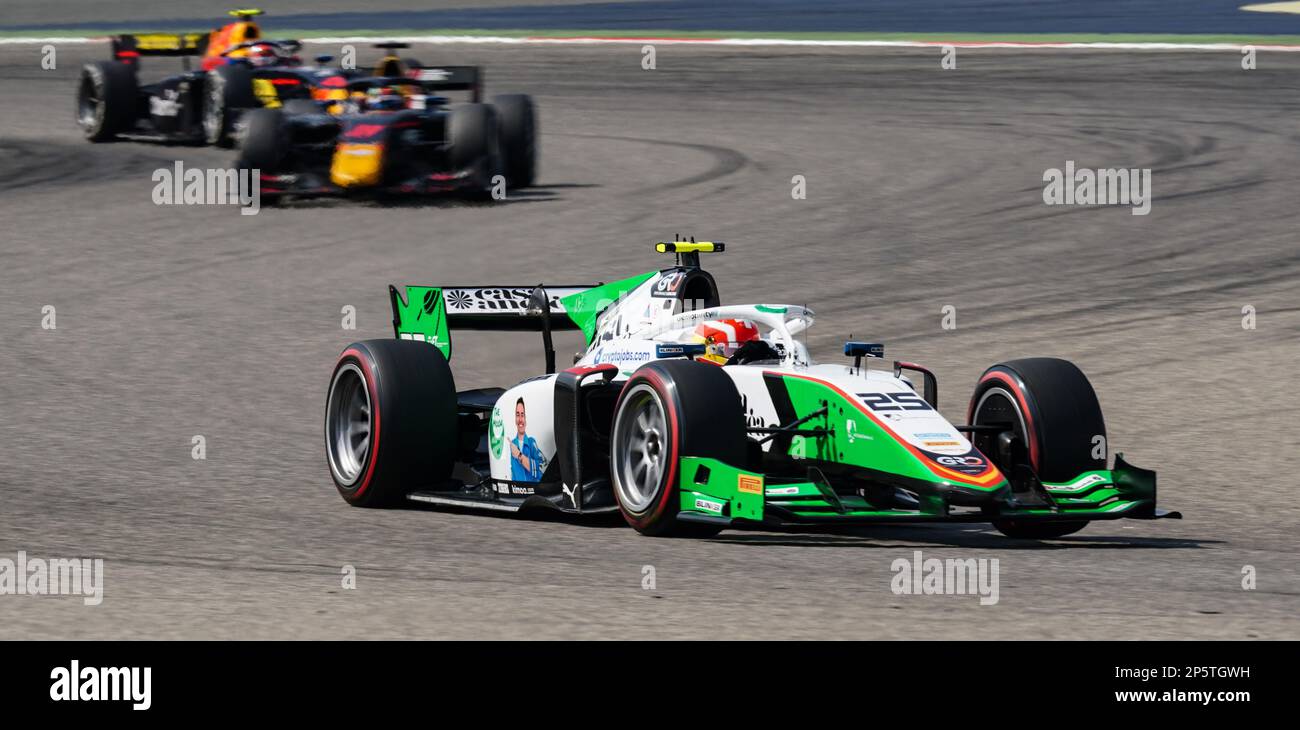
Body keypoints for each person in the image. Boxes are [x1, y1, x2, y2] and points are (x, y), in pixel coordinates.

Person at [510, 398, 545, 482]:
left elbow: (542, 469)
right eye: (517, 415)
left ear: (525, 418)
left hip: (533, 494)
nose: (520, 419)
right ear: (515, 418)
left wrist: (519, 455)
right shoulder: (512, 444)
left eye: (522, 415)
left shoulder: (531, 442)